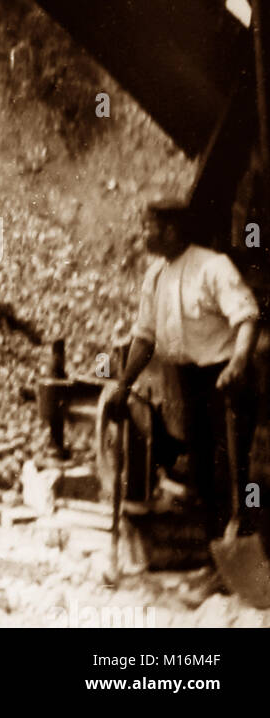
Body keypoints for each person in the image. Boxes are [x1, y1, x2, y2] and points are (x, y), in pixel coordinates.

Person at [110, 197, 259, 597]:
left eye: (150, 227)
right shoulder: (155, 275)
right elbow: (144, 336)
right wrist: (123, 385)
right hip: (189, 382)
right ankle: (215, 563)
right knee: (204, 479)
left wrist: (239, 363)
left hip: (228, 379)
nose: (144, 234)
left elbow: (246, 317)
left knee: (234, 477)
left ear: (172, 230)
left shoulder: (213, 266)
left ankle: (240, 563)